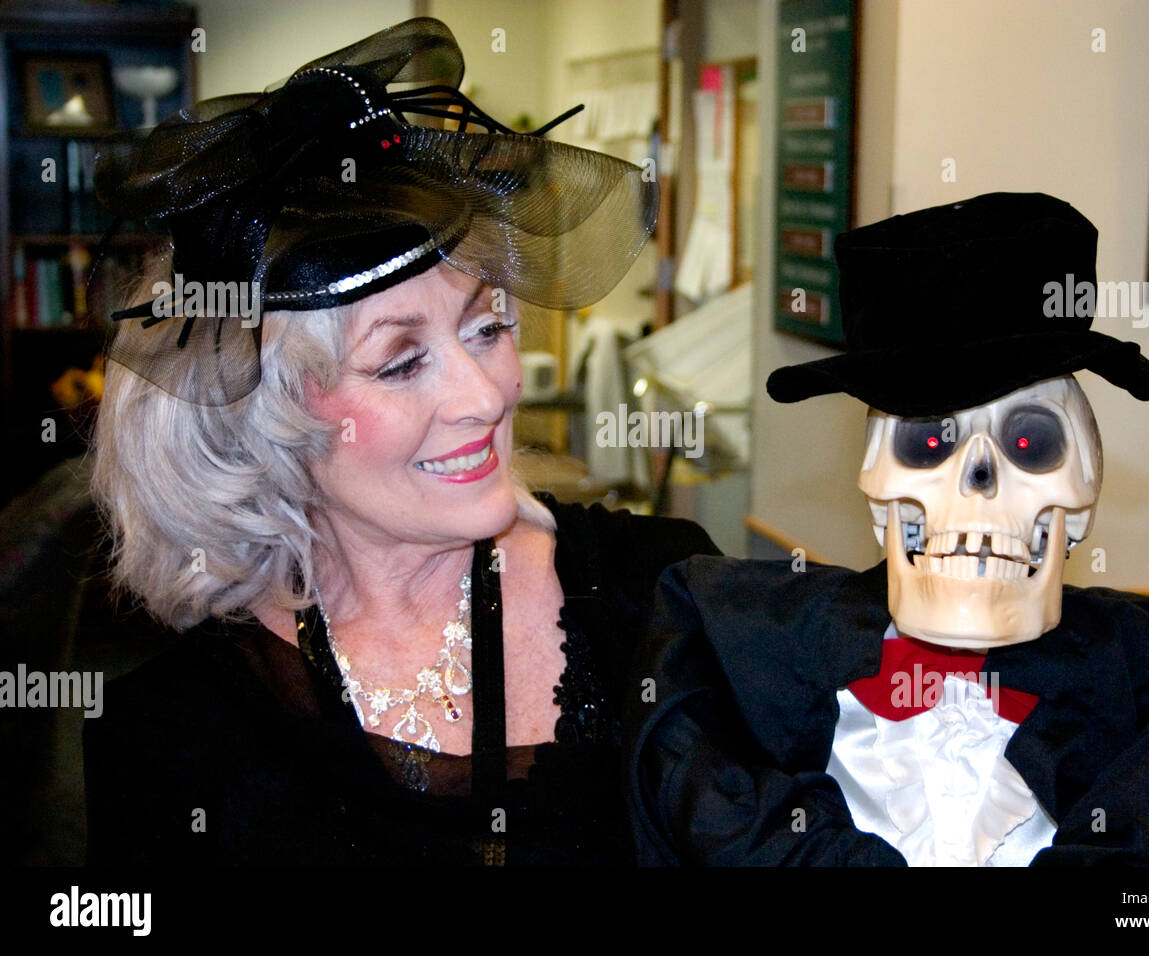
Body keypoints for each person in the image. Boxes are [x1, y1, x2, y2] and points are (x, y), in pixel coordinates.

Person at [84, 18, 718, 866]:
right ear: (268, 418)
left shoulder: (661, 603)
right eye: (400, 362)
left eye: (487, 329)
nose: (485, 394)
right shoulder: (179, 732)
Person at [626, 193, 1149, 865]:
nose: (979, 481)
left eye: (1031, 446)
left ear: (1083, 502)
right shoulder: (728, 635)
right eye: (927, 445)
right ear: (877, 496)